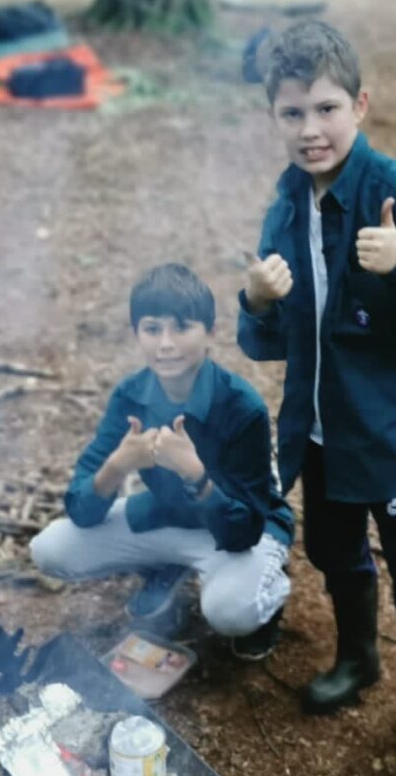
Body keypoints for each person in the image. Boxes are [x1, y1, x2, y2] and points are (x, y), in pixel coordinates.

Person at [238, 20, 396, 776]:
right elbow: (269, 344)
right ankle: (358, 656)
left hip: (395, 438)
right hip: (319, 433)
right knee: (334, 553)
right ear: (272, 118)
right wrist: (255, 303)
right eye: (292, 113)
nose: (311, 130)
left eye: (325, 109)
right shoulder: (284, 205)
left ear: (360, 105)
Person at [30, 264, 293, 660]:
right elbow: (81, 509)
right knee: (49, 549)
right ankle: (165, 567)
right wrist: (117, 466)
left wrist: (194, 471)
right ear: (137, 334)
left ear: (210, 333)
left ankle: (268, 594)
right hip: (168, 515)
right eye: (152, 329)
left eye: (182, 328)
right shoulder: (131, 396)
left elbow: (244, 530)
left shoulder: (242, 407)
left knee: (230, 612)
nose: (166, 344)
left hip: (241, 530)